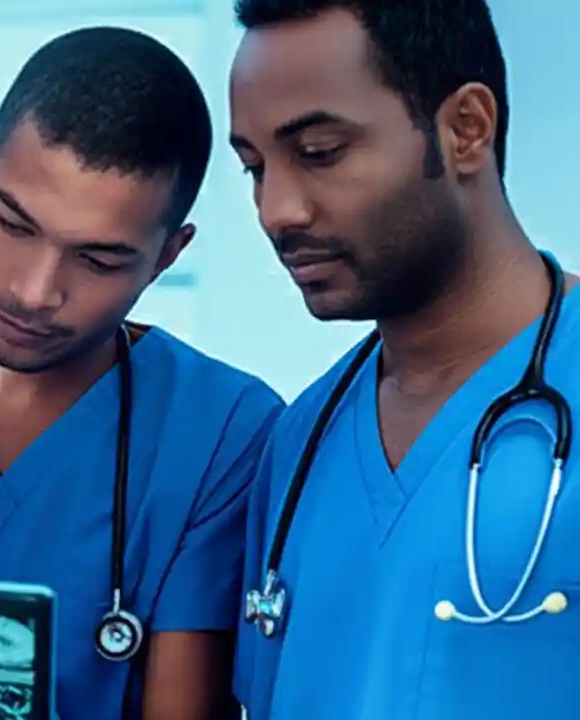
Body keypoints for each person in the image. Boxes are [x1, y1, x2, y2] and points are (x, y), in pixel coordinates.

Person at [0, 27, 285, 720]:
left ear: (166, 257)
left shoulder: (221, 434)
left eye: (98, 261)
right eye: (13, 225)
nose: (37, 291)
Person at [227, 2, 580, 718]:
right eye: (254, 168)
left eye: (320, 152)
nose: (277, 210)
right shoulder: (298, 445)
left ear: (465, 129)